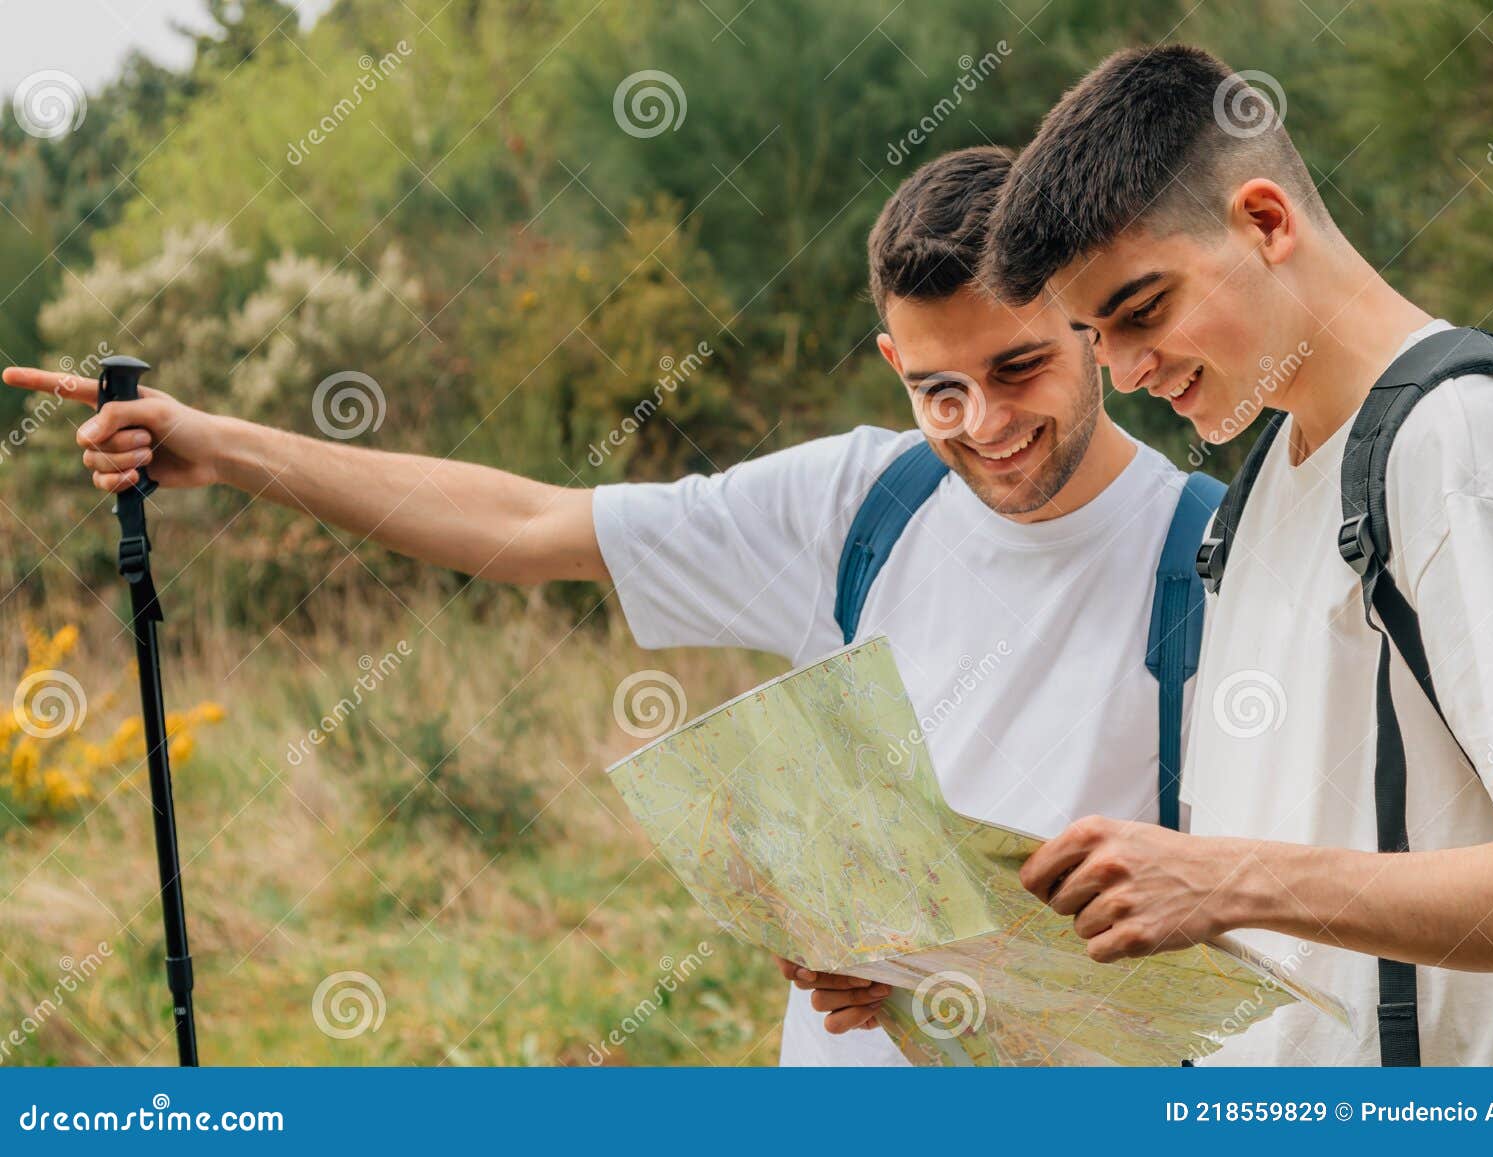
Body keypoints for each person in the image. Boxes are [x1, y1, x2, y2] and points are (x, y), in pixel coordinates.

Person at [8, 146, 1206, 1067]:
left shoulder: (1208, 550)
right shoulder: (860, 497)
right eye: (939, 388)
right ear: (892, 362)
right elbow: (525, 528)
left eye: (1018, 370)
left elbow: (1264, 931)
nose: (983, 426)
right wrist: (220, 447)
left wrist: (983, 979)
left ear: (1090, 328)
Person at [986, 44, 1493, 1065]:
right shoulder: (1267, 469)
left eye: (1142, 311)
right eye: (1096, 335)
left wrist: (1228, 877)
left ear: (1265, 221)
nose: (1128, 371)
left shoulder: (1464, 441)